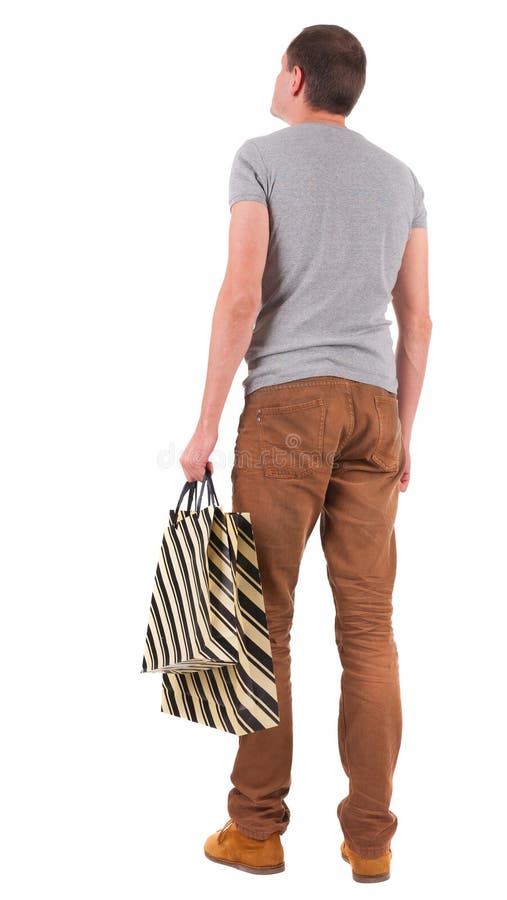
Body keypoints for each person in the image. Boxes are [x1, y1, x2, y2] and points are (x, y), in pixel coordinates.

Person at [180, 23, 431, 881]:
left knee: (266, 624)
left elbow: (240, 295)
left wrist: (206, 426)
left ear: (294, 77)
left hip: (286, 408)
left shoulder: (259, 158)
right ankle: (371, 841)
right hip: (373, 410)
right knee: (368, 629)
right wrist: (403, 433)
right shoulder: (400, 179)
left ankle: (255, 830)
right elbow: (417, 320)